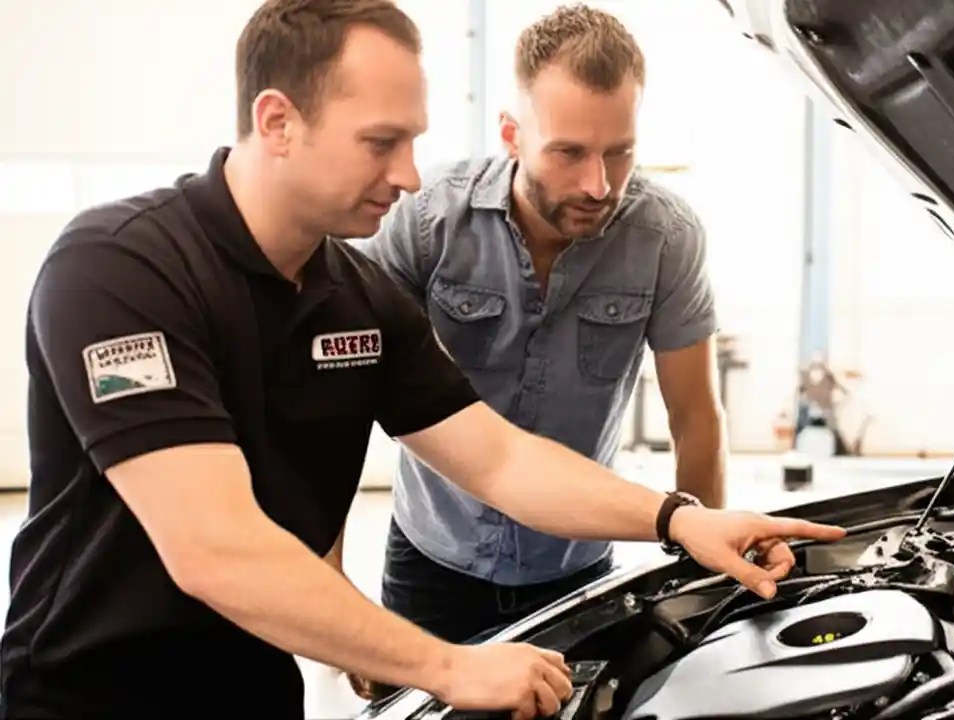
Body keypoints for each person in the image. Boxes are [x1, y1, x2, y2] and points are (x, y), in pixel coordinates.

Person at [0, 1, 845, 718]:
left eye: (413, 142)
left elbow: (501, 458)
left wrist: (683, 520)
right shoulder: (118, 269)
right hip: (82, 691)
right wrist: (444, 663)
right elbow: (214, 547)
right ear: (277, 121)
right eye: (380, 142)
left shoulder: (357, 296)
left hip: (255, 680)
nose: (409, 175)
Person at [354, 4, 728, 652]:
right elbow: (338, 403)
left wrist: (702, 577)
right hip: (431, 562)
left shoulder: (666, 238)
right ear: (511, 134)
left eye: (621, 152)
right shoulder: (423, 222)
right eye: (569, 153)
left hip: (576, 572)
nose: (599, 183)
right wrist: (334, 585)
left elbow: (695, 416)